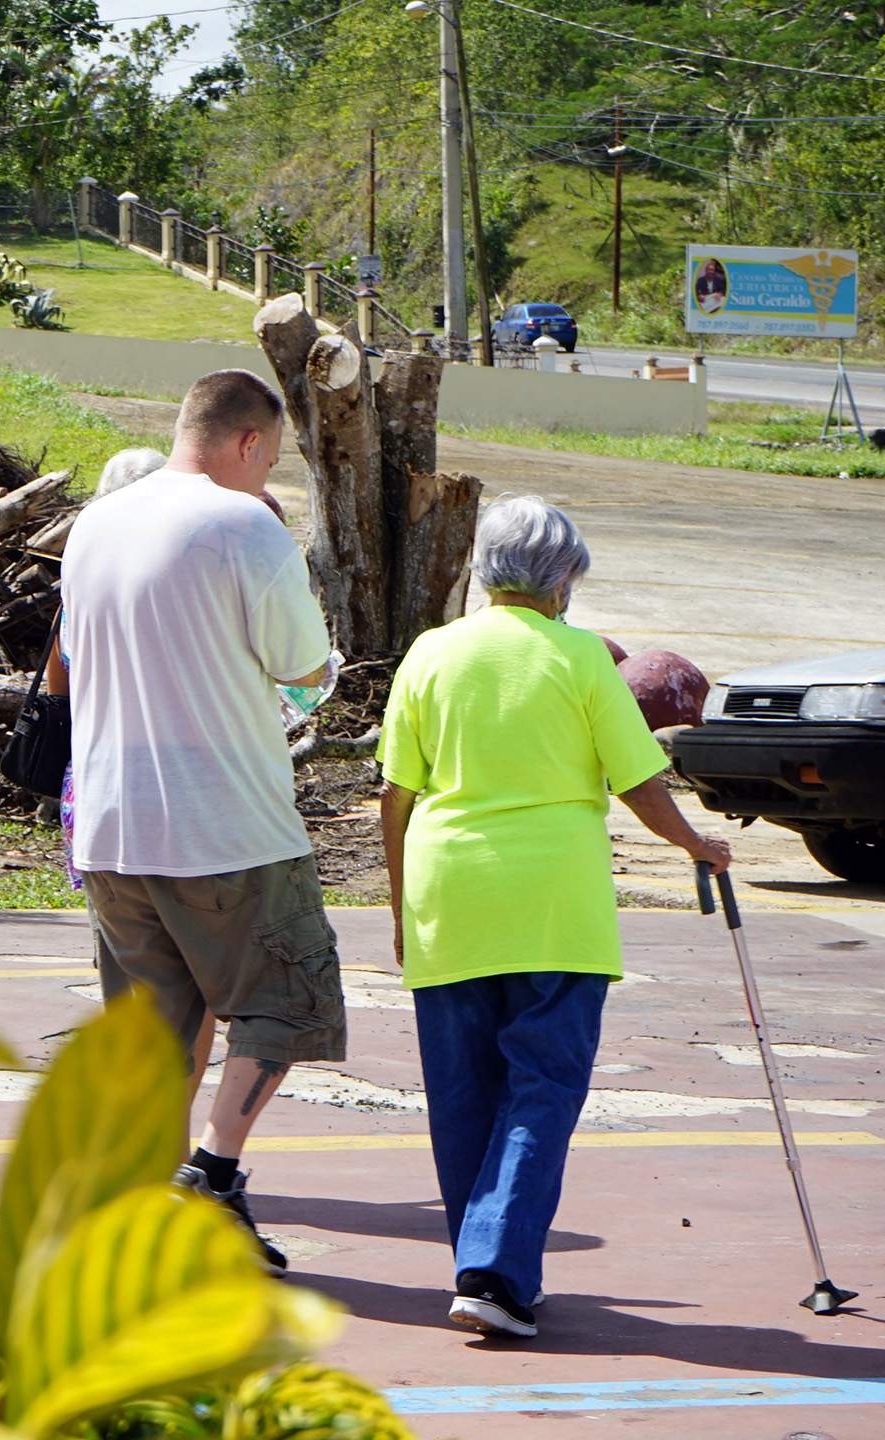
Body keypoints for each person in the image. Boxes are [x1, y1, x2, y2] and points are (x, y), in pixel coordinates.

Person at [377, 496, 734, 1340]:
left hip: (447, 895)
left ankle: (485, 1265)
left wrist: (400, 906)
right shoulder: (581, 657)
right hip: (554, 907)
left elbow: (396, 794)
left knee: (461, 1091)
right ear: (562, 579)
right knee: (542, 1086)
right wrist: (697, 844)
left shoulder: (431, 652)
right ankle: (495, 1272)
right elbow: (637, 781)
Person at [58, 370, 344, 1274]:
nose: (268, 476)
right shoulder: (243, 524)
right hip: (225, 823)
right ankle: (212, 1175)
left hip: (112, 822)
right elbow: (305, 665)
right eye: (273, 458)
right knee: (286, 1003)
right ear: (249, 442)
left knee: (158, 1031)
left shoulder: (95, 524)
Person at [52, 447, 169, 889]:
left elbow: (59, 688)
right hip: (166, 789)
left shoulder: (81, 583)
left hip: (93, 788)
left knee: (115, 921)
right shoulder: (176, 582)